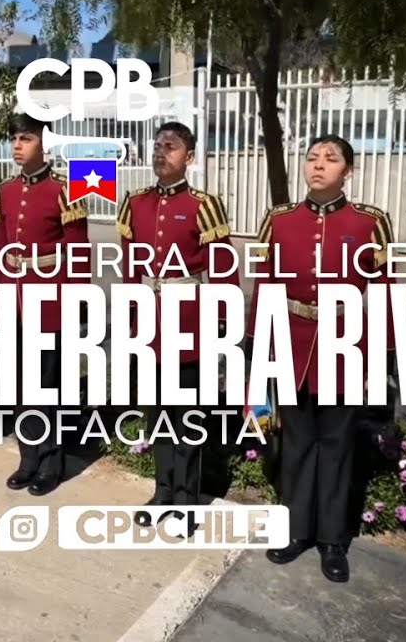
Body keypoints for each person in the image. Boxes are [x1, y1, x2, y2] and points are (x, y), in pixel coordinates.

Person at [247, 134, 394, 582]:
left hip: (344, 342)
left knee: (336, 445)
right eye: (312, 158)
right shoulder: (280, 220)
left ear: (348, 170)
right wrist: (258, 341)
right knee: (296, 443)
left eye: (330, 159)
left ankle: (332, 539)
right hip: (292, 339)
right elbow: (266, 284)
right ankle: (295, 531)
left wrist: (385, 352)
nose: (318, 166)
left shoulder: (370, 223)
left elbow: (383, 291)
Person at [117, 121, 238, 528]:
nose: (160, 152)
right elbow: (129, 266)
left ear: (189, 157)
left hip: (189, 322)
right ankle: (163, 491)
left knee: (187, 417)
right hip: (150, 324)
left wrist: (223, 323)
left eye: (170, 146)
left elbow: (222, 268)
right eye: (156, 145)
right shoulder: (134, 202)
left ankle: (187, 501)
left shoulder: (204, 204)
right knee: (158, 415)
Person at [0, 113, 90, 495]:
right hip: (17, 299)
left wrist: (77, 301)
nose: (17, 145)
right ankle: (28, 456)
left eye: (26, 138)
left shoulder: (66, 188)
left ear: (44, 144)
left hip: (50, 300)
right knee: (18, 385)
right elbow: (1, 244)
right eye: (14, 138)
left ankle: (52, 461)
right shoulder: (6, 190)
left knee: (49, 387)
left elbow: (78, 249)